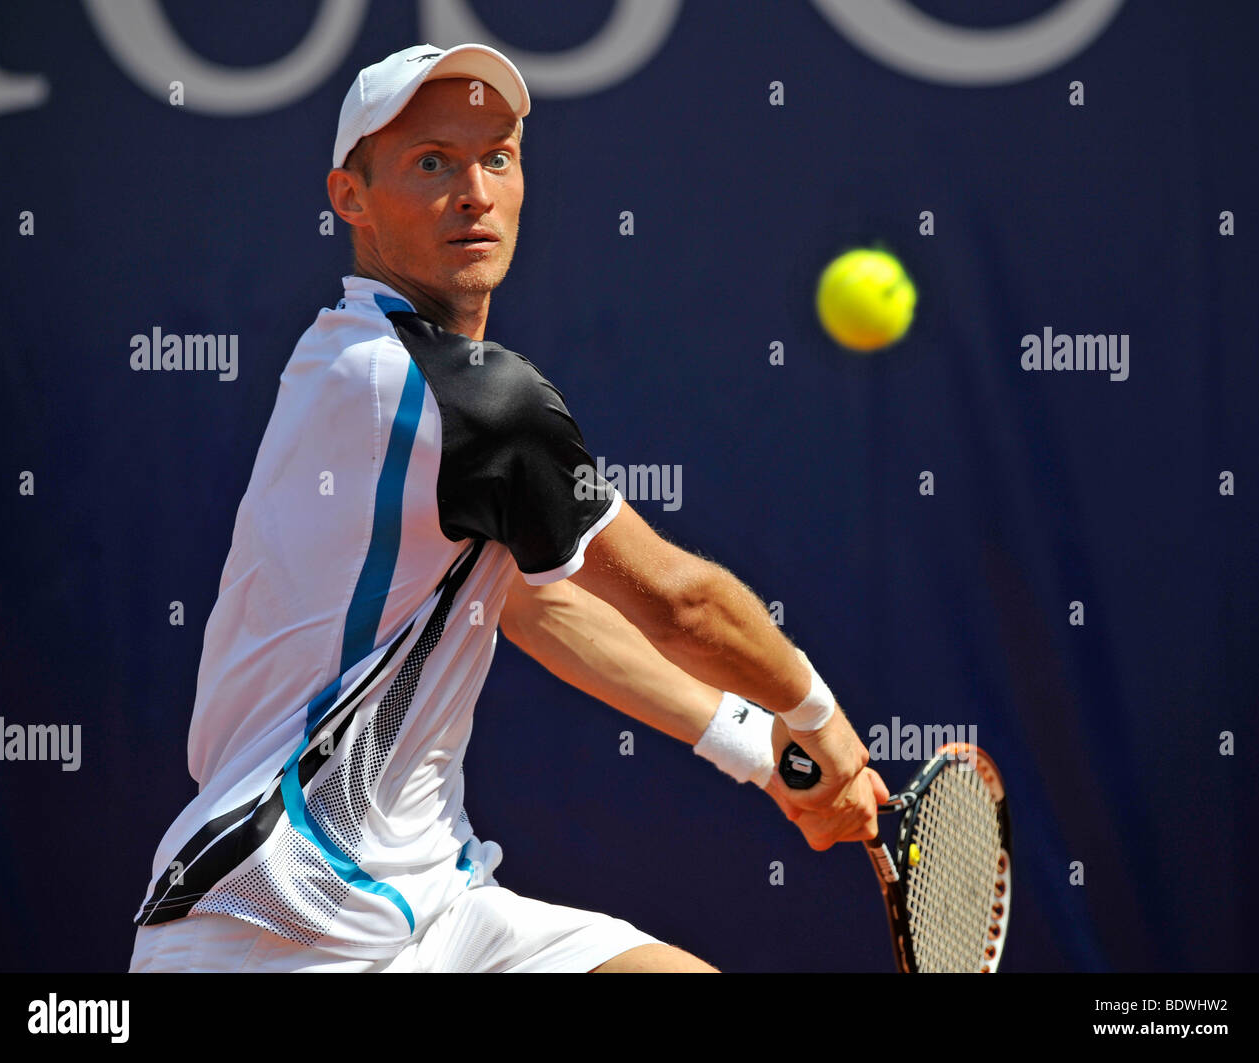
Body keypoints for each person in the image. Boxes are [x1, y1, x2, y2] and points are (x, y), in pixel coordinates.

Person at [128, 42, 887, 974]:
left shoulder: (350, 358)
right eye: (432, 163)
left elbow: (531, 603)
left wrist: (758, 749)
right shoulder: (451, 393)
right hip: (270, 923)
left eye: (498, 157)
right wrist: (820, 720)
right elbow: (680, 602)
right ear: (349, 196)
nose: (475, 192)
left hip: (436, 909)